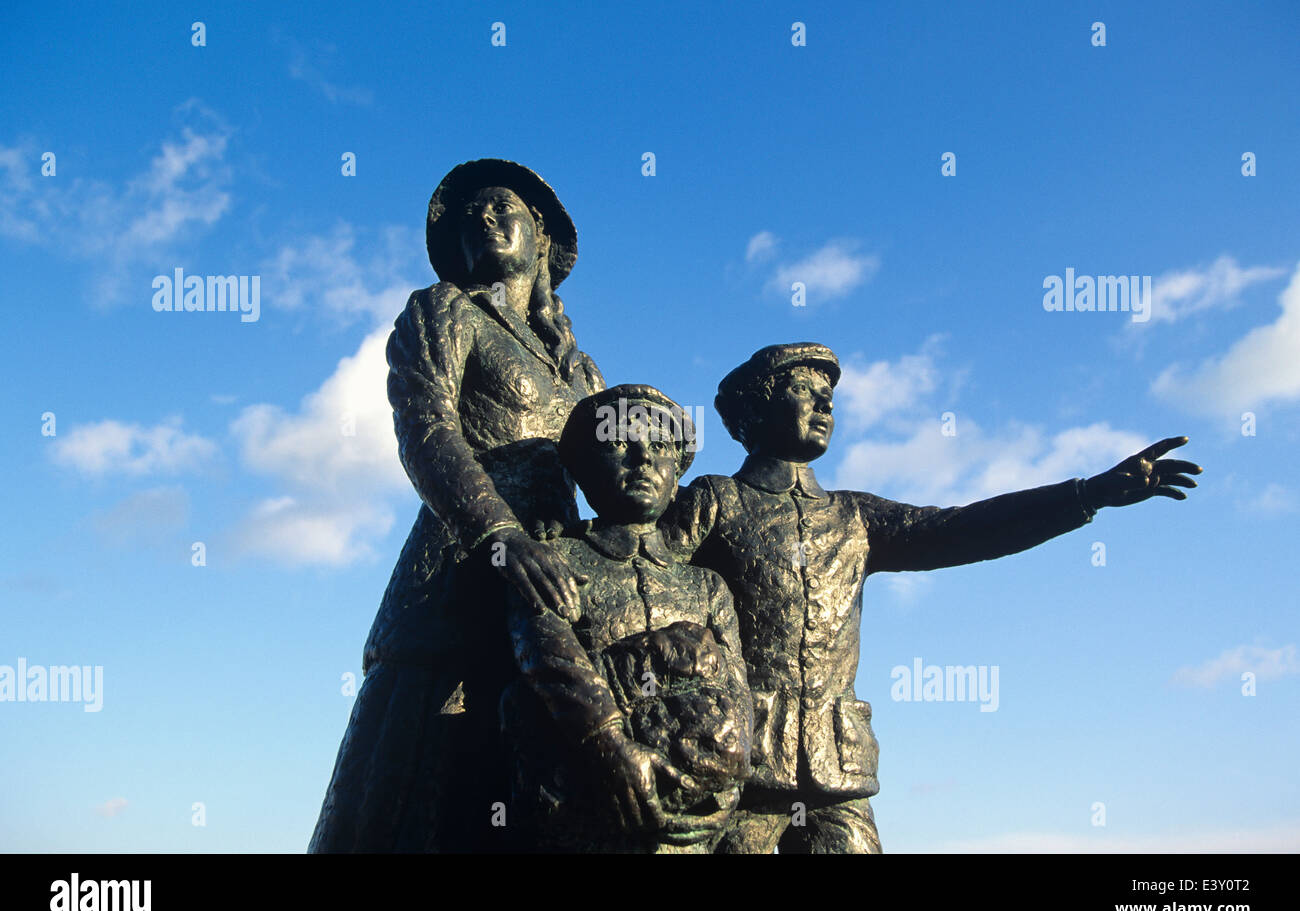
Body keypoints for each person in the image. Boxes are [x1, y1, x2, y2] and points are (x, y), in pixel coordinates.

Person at [659, 342, 1201, 853]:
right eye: (803, 388)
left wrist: (1086, 495)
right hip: (739, 761)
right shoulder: (717, 500)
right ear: (758, 409)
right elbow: (645, 569)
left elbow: (961, 528)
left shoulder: (856, 517)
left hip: (836, 771)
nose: (825, 401)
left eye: (830, 394)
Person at [309, 160, 604, 853]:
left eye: (503, 208)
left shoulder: (582, 372)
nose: (486, 220)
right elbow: (428, 428)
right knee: (421, 793)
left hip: (550, 600)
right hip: (454, 589)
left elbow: (626, 482)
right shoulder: (443, 311)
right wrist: (504, 537)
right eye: (472, 217)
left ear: (541, 236)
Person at [501, 385, 753, 853]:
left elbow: (737, 692)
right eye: (619, 443)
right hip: (582, 816)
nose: (642, 458)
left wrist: (731, 785)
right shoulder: (554, 560)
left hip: (690, 823)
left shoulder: (707, 587)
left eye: (659, 448)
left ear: (676, 475)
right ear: (581, 468)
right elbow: (547, 660)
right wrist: (611, 748)